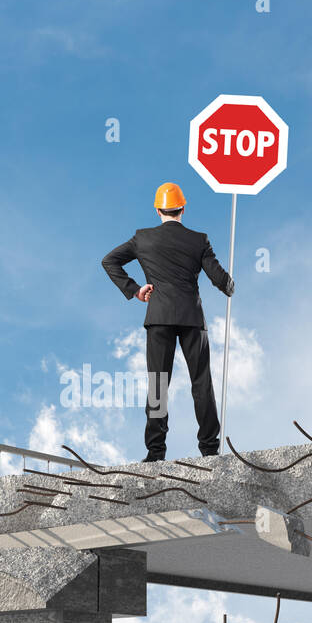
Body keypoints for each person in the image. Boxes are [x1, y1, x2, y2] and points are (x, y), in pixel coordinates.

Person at [101, 182, 235, 462]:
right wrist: (229, 285)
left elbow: (109, 261)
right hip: (191, 318)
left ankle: (155, 452)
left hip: (159, 318)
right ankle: (210, 449)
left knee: (158, 384)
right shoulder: (199, 240)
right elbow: (218, 278)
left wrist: (135, 289)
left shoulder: (143, 238)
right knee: (202, 384)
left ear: (158, 210)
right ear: (182, 208)